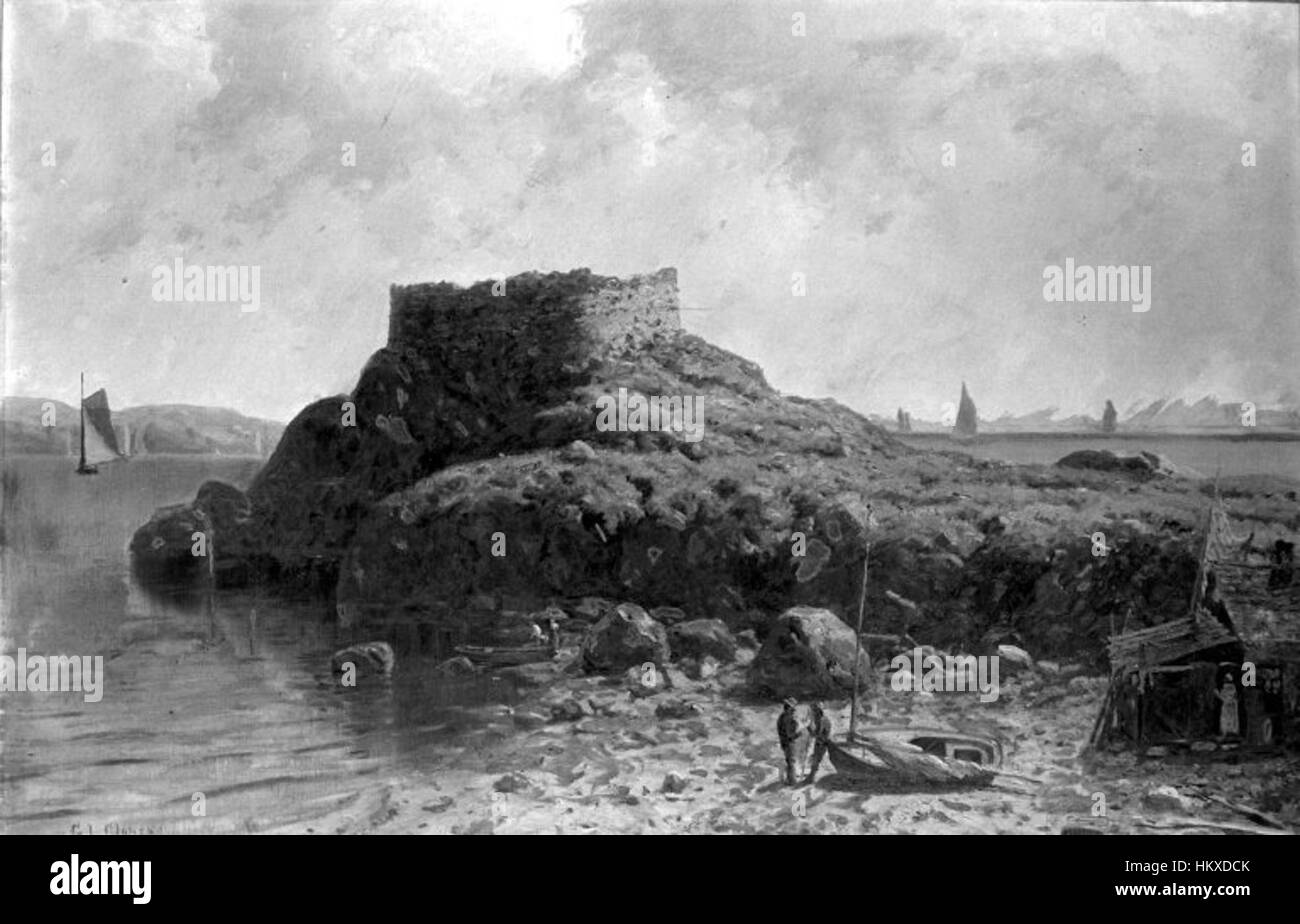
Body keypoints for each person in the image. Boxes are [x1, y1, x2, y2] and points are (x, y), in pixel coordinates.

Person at [804, 702, 833, 784]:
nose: (812, 713)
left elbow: (817, 734)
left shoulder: (821, 720)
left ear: (818, 711)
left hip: (821, 743)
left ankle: (811, 779)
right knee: (816, 760)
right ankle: (811, 777)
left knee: (816, 760)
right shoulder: (822, 719)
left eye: (814, 711)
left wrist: (809, 730)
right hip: (821, 742)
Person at [777, 698, 800, 785]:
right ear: (789, 707)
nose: (794, 710)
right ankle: (792, 781)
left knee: (789, 760)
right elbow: (790, 734)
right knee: (791, 761)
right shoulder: (788, 718)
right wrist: (799, 733)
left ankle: (790, 778)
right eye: (793, 708)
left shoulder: (782, 716)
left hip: (784, 742)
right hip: (789, 742)